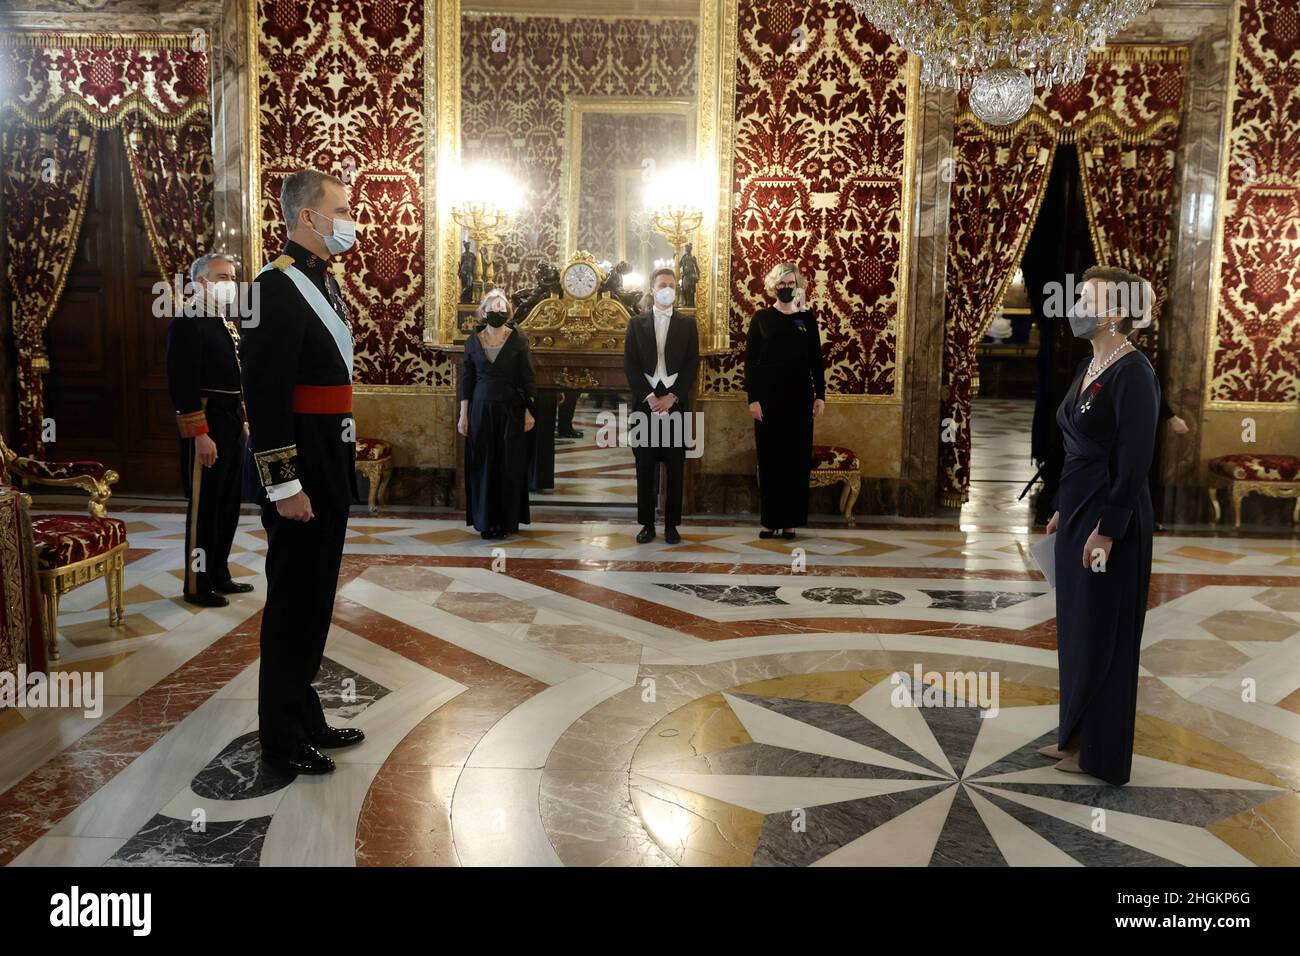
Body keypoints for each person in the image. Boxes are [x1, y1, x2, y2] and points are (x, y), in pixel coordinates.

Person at [242, 168, 363, 776]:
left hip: (328, 457)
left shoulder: (322, 280)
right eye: (340, 209)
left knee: (315, 598)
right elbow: (265, 398)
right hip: (300, 468)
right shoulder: (273, 287)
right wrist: (284, 484)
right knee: (292, 601)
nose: (350, 220)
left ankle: (303, 711)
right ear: (309, 217)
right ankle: (280, 736)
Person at [1044, 265, 1160, 785]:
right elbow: (1077, 445)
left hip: (1111, 520)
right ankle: (1074, 736)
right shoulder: (1091, 363)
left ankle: (1101, 753)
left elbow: (1134, 462)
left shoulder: (1134, 372)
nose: (1075, 308)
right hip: (1077, 512)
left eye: (1085, 300)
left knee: (1105, 632)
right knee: (1078, 629)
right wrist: (1062, 509)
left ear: (1114, 312)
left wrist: (1108, 529)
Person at [166, 252, 252, 608]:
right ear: (201, 283)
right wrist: (199, 434)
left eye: (232, 277)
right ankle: (197, 584)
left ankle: (219, 573)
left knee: (228, 503)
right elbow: (182, 383)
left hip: (229, 420)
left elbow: (234, 377)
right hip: (206, 422)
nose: (230, 283)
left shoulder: (221, 320)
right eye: (222, 277)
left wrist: (243, 419)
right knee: (205, 507)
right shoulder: (188, 320)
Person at [744, 262, 826, 539]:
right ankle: (770, 521)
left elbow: (816, 361)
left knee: (795, 462)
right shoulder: (761, 318)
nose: (787, 288)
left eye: (791, 284)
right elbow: (751, 364)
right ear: (773, 286)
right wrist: (753, 399)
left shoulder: (806, 319)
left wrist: (820, 395)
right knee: (770, 461)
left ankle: (791, 521)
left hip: (800, 400)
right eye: (782, 283)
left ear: (798, 286)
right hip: (768, 401)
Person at [623, 267, 699, 545]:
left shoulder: (687, 324)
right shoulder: (636, 323)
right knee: (644, 467)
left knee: (675, 467)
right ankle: (646, 525)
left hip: (674, 404)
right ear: (652, 290)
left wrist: (673, 396)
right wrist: (649, 396)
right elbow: (630, 363)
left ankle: (671, 526)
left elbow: (692, 363)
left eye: (671, 285)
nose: (667, 289)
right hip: (646, 405)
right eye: (662, 285)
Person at [459, 289, 537, 539]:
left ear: (508, 312)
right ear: (484, 312)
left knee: (508, 464)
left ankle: (505, 521)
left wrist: (529, 411)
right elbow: (466, 380)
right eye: (493, 307)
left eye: (502, 307)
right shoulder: (473, 340)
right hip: (481, 409)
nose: (497, 310)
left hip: (511, 408)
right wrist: (463, 415)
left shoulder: (518, 339)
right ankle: (485, 521)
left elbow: (527, 378)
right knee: (483, 464)